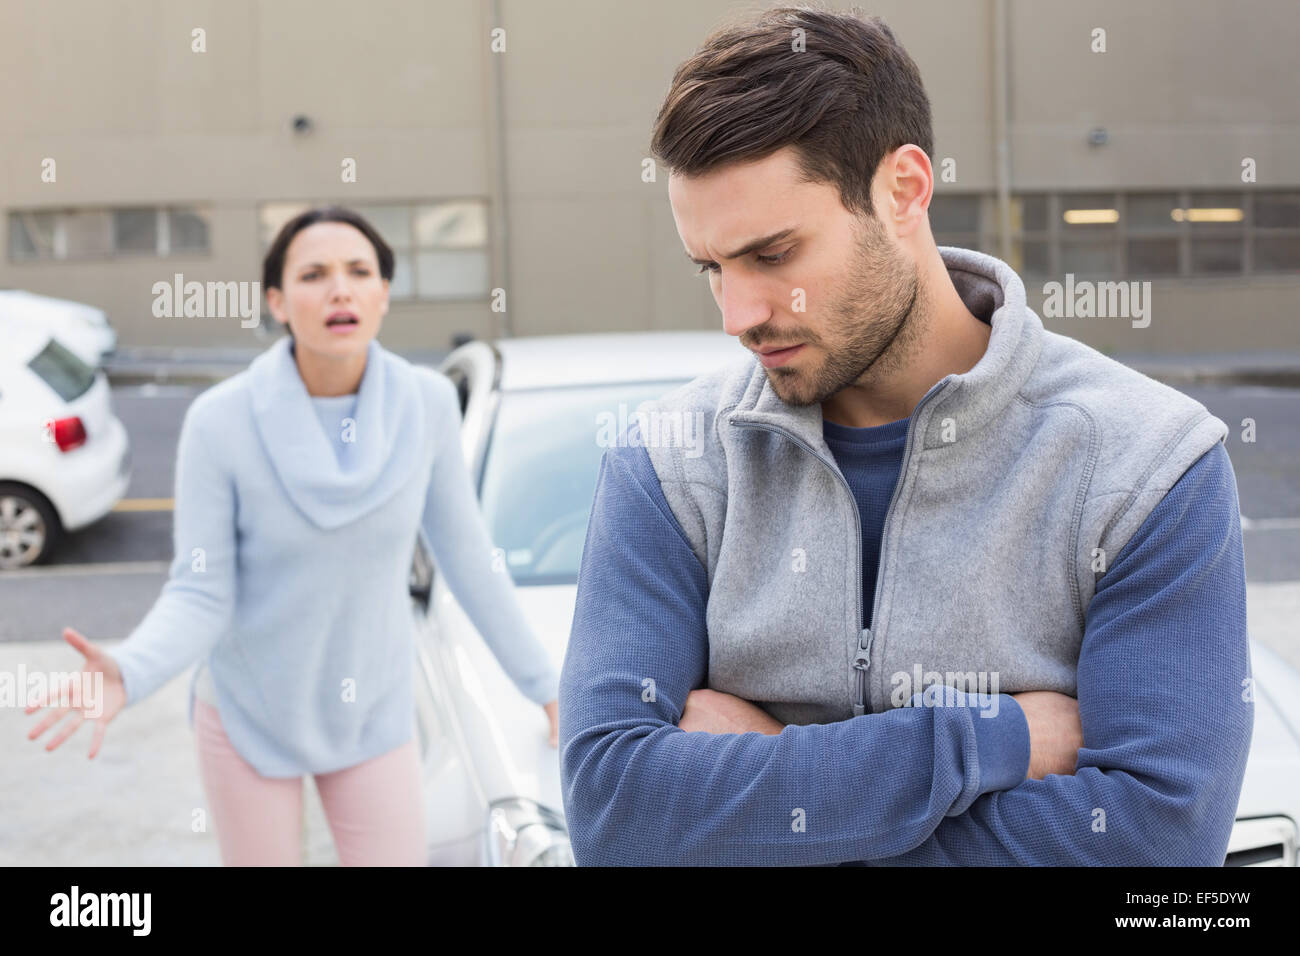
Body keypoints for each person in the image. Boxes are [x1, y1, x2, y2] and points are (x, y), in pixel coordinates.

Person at [559, 7, 1252, 865]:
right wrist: (985, 743)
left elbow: (1155, 846)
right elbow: (614, 815)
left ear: (904, 191)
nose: (738, 315)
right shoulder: (667, 464)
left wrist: (766, 778)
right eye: (713, 268)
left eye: (773, 255)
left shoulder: (1146, 463)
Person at [26, 206, 560, 866]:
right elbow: (200, 591)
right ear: (277, 301)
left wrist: (548, 686)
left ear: (382, 294)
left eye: (360, 271)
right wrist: (130, 671)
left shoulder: (426, 404)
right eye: (314, 274)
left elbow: (469, 560)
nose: (340, 288)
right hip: (249, 713)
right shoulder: (220, 422)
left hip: (373, 712)